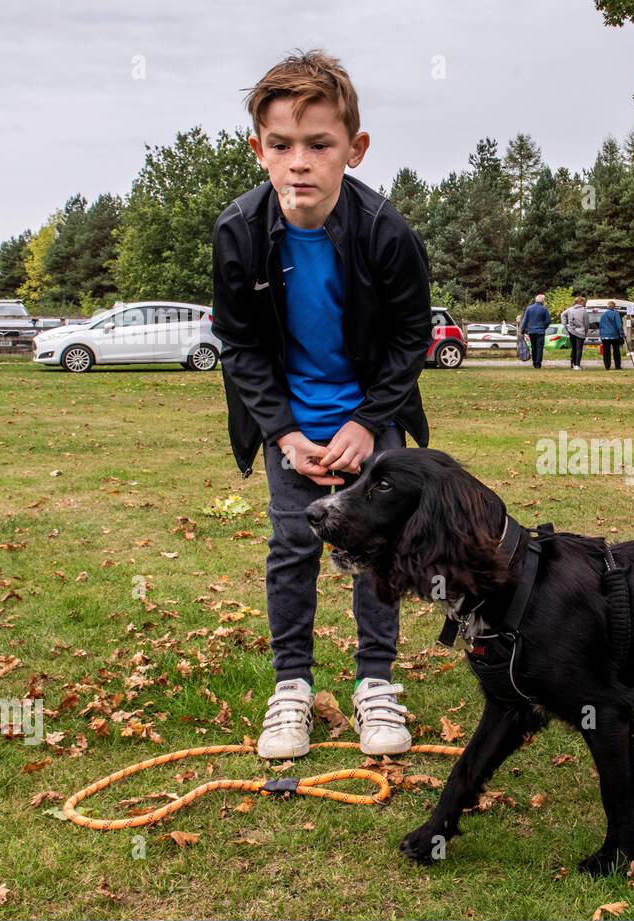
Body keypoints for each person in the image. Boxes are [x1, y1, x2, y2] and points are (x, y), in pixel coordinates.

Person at [212, 49, 431, 760]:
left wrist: (370, 423)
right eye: (281, 145)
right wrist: (282, 433)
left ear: (354, 149)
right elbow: (240, 347)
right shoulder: (238, 233)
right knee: (293, 546)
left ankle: (375, 683)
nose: (299, 162)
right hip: (291, 424)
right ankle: (292, 689)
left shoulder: (387, 233)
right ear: (259, 149)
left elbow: (410, 337)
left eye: (319, 144)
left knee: (378, 549)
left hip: (371, 415)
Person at [520, 293, 551, 368]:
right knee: (539, 348)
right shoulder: (544, 309)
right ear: (542, 301)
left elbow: (525, 320)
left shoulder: (529, 308)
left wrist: (523, 330)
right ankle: (538, 363)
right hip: (540, 331)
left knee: (533, 347)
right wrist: (544, 327)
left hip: (531, 331)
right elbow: (548, 320)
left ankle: (534, 362)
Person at [560, 295, 588, 370]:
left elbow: (562, 314)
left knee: (574, 348)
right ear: (580, 302)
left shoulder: (570, 309)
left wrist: (565, 325)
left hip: (571, 331)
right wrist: (585, 332)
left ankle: (572, 364)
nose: (584, 303)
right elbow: (586, 323)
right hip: (580, 331)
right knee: (579, 349)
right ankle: (577, 365)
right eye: (584, 302)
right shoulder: (583, 310)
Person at [598, 300, 624, 369]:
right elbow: (619, 325)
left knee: (606, 352)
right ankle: (617, 366)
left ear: (607, 306)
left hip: (604, 335)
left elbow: (600, 325)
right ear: (614, 307)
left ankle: (607, 366)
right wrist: (621, 334)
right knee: (616, 351)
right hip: (614, 335)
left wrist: (601, 334)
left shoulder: (603, 314)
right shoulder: (615, 313)